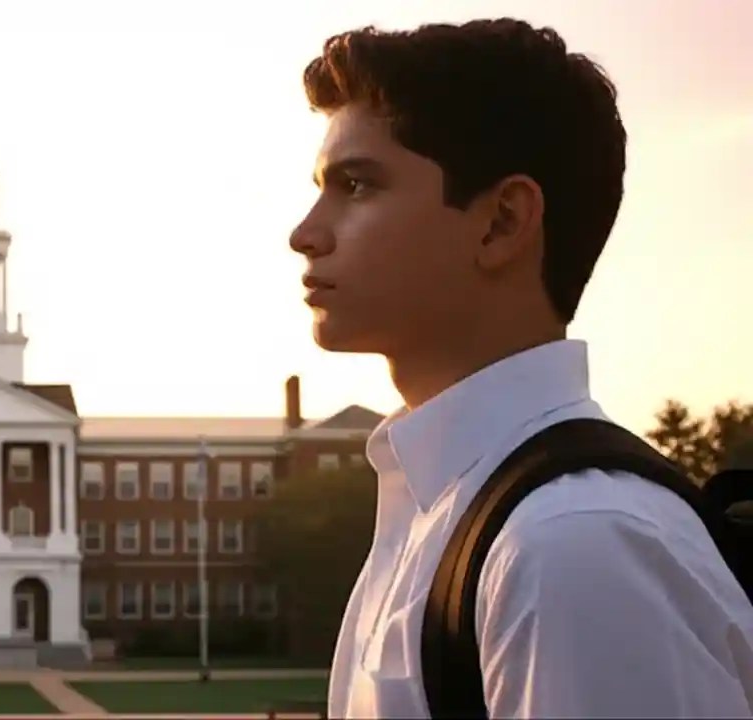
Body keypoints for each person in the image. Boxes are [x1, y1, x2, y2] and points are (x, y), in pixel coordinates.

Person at [288, 18, 753, 719]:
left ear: (502, 222)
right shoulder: (442, 512)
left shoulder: (574, 547)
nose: (305, 233)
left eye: (356, 185)